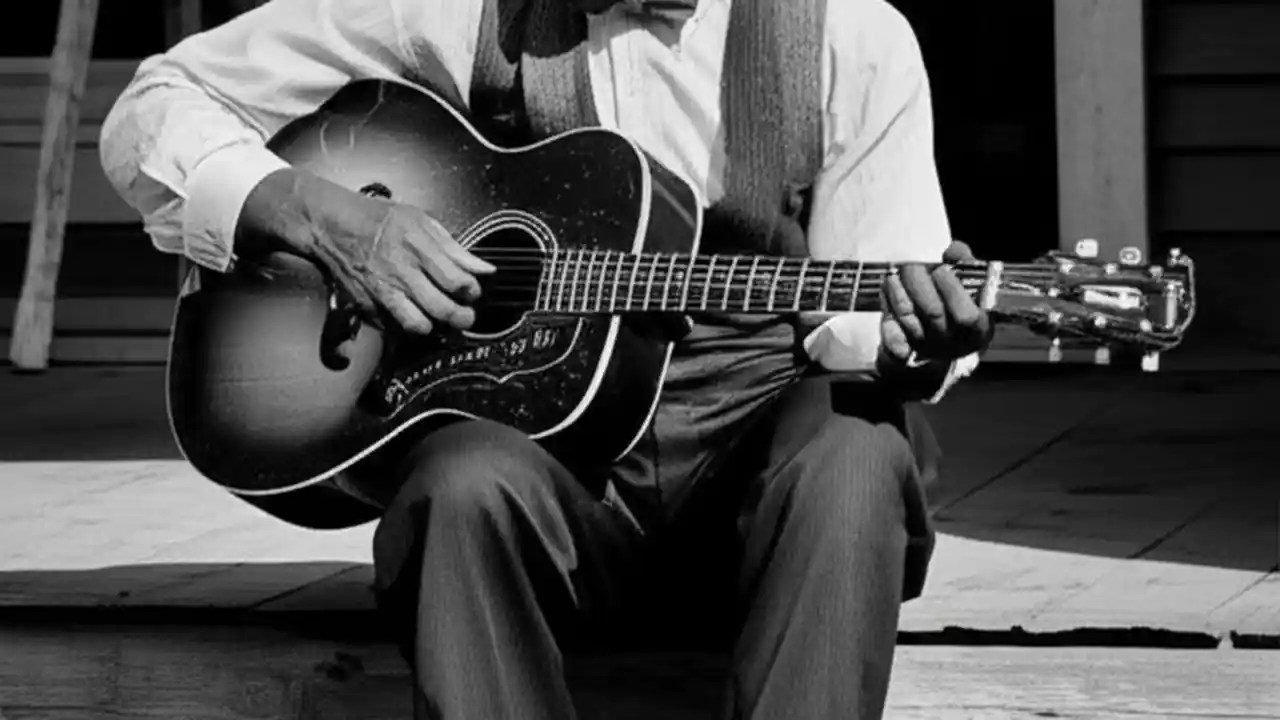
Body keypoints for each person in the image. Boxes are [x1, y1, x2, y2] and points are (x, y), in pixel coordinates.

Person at [99, 0, 992, 717]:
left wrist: (918, 345)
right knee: (461, 483)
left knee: (860, 450)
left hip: (767, 515)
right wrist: (323, 218)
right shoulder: (456, 14)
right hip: (562, 499)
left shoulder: (848, 30)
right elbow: (154, 105)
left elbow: (866, 333)